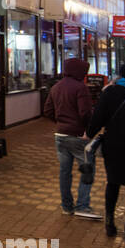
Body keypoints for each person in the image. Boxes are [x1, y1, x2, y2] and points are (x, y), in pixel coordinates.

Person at [87, 59, 125, 242]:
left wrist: (89, 134)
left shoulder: (111, 91)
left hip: (114, 145)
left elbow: (99, 117)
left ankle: (110, 224)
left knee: (113, 182)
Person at [43, 57, 99, 219]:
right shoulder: (80, 88)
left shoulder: (56, 87)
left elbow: (47, 111)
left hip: (60, 136)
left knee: (64, 172)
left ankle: (66, 206)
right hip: (78, 136)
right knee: (87, 170)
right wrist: (88, 129)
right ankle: (82, 205)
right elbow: (86, 113)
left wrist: (61, 123)